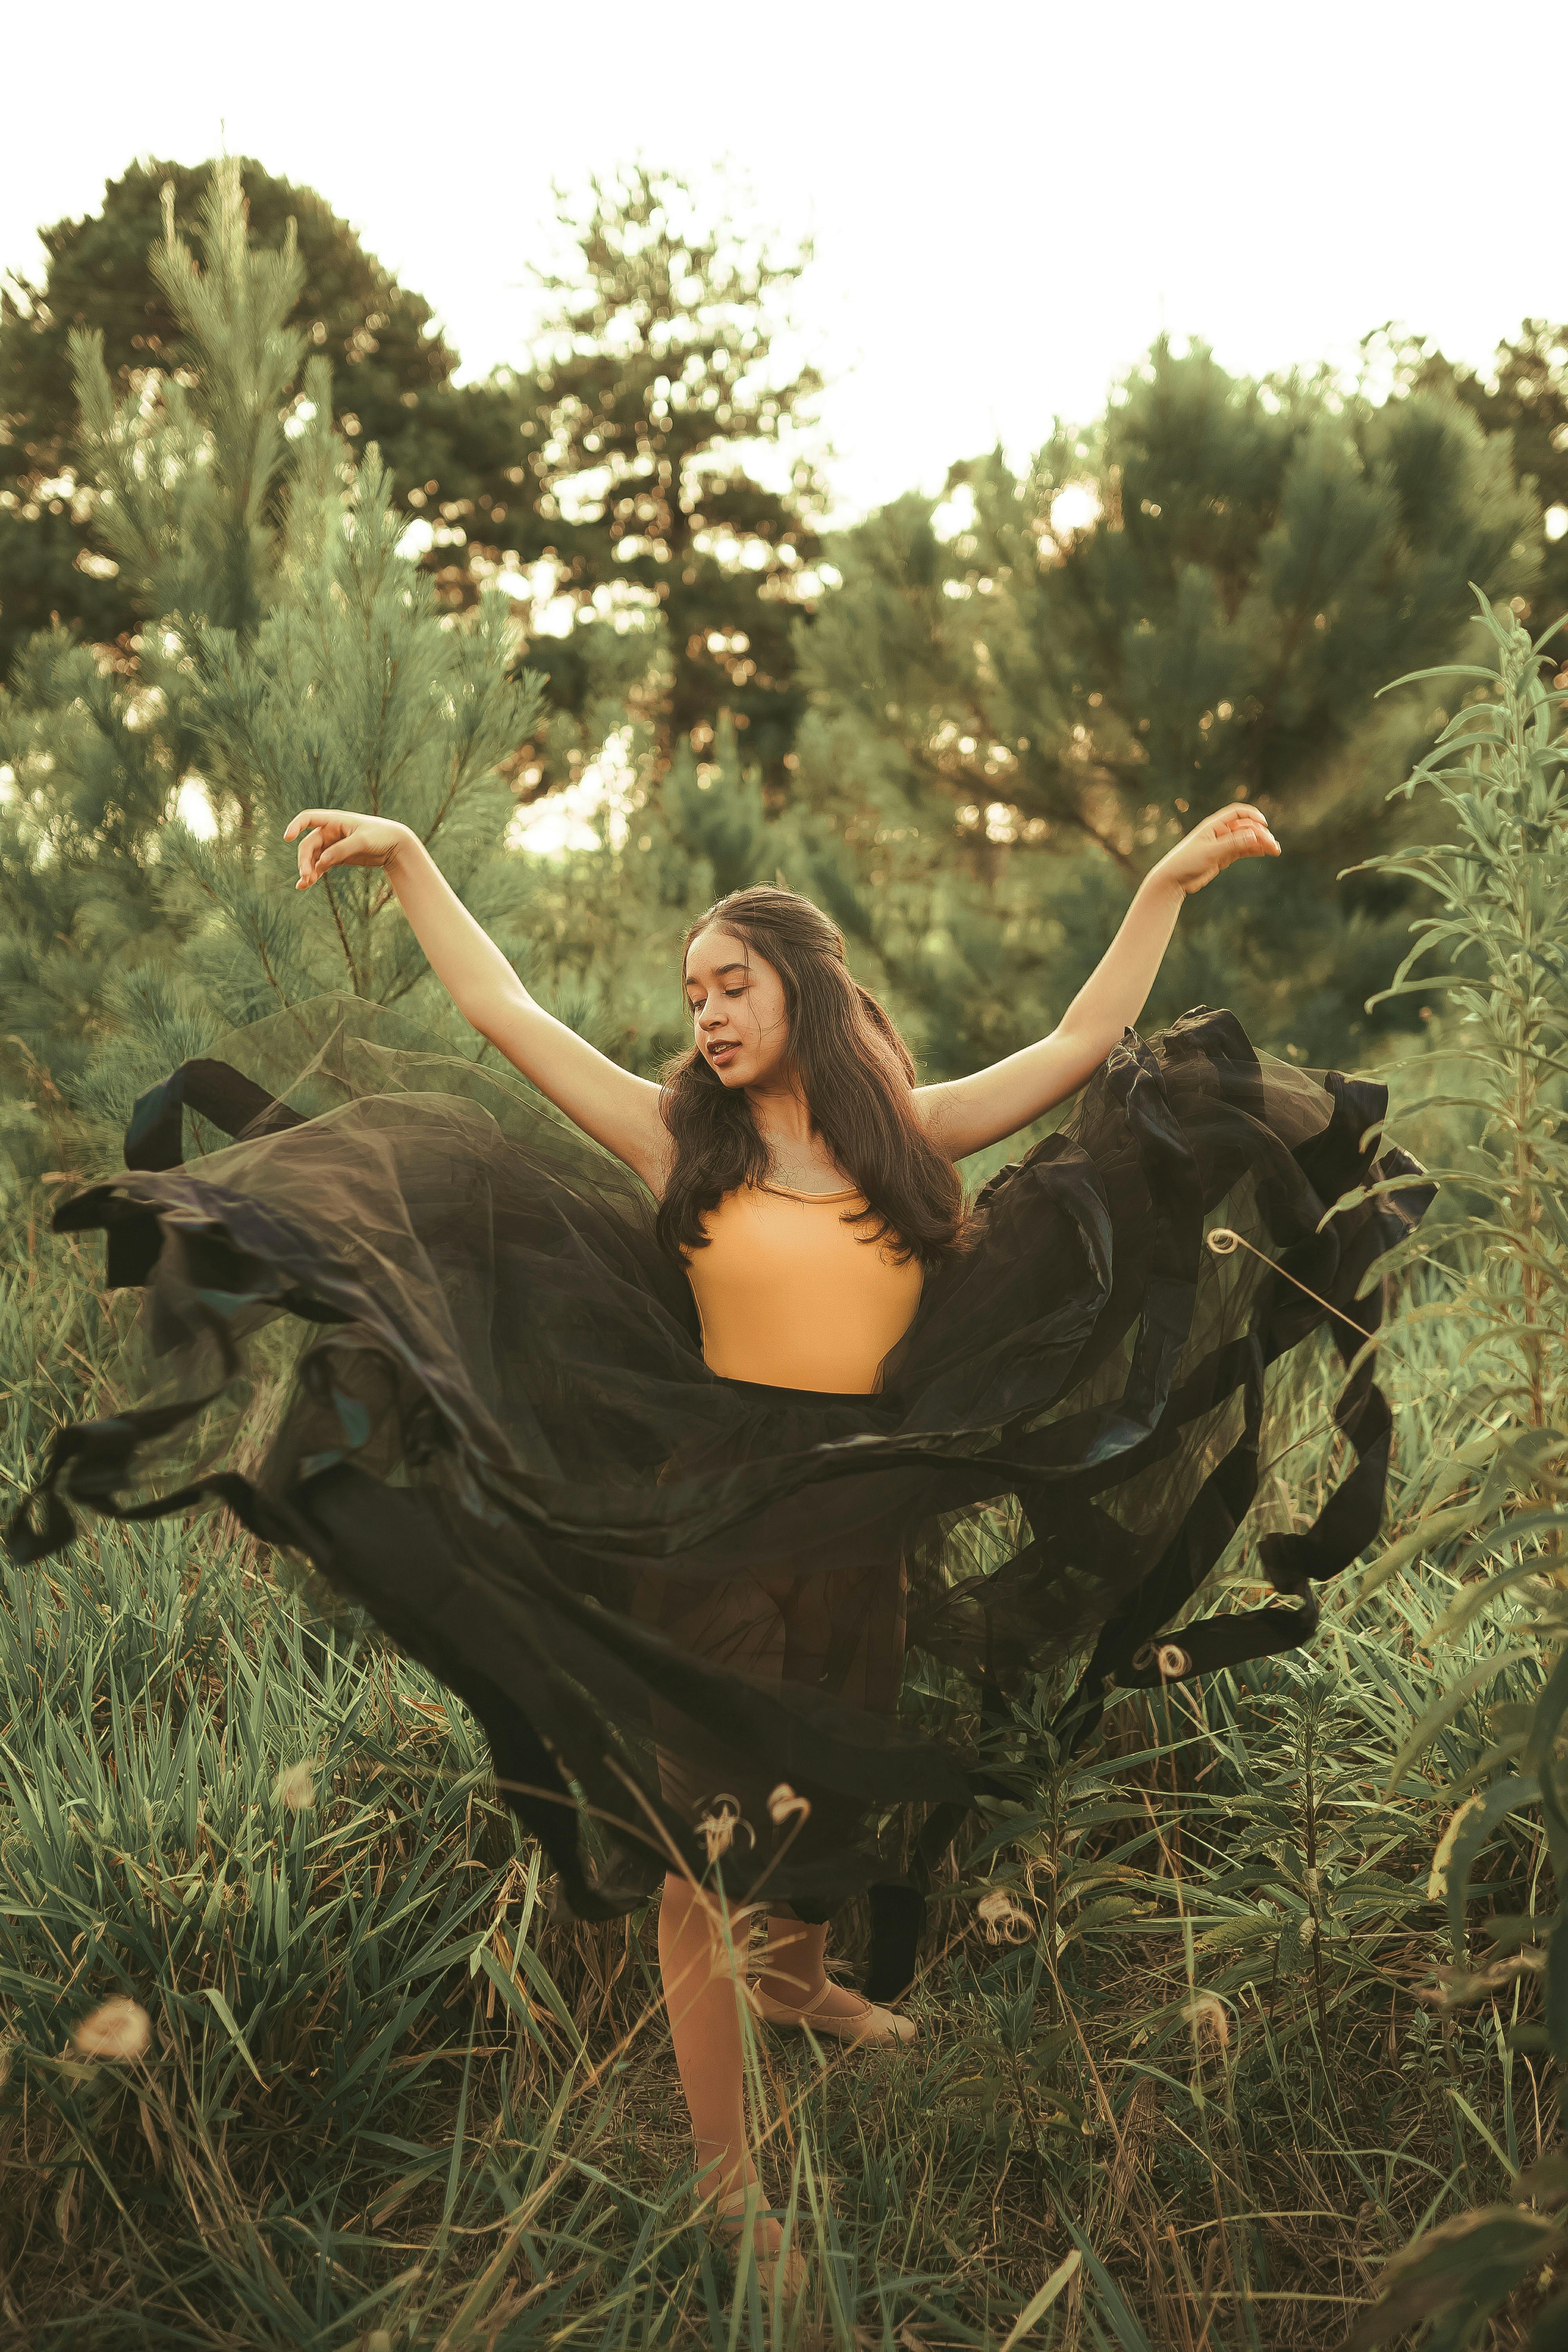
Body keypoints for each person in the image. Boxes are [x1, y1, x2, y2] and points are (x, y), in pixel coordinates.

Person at [8, 799, 1432, 2299]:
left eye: (730, 983)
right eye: (693, 991)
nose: (706, 1009)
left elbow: (1080, 1045)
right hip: (714, 1509)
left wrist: (1160, 884)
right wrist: (413, 858)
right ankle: (722, 2183)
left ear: (803, 986)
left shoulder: (914, 1135)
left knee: (843, 1749)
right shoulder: (677, 1131)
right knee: (708, 1843)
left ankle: (805, 1986)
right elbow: (506, 1014)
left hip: (864, 1501)